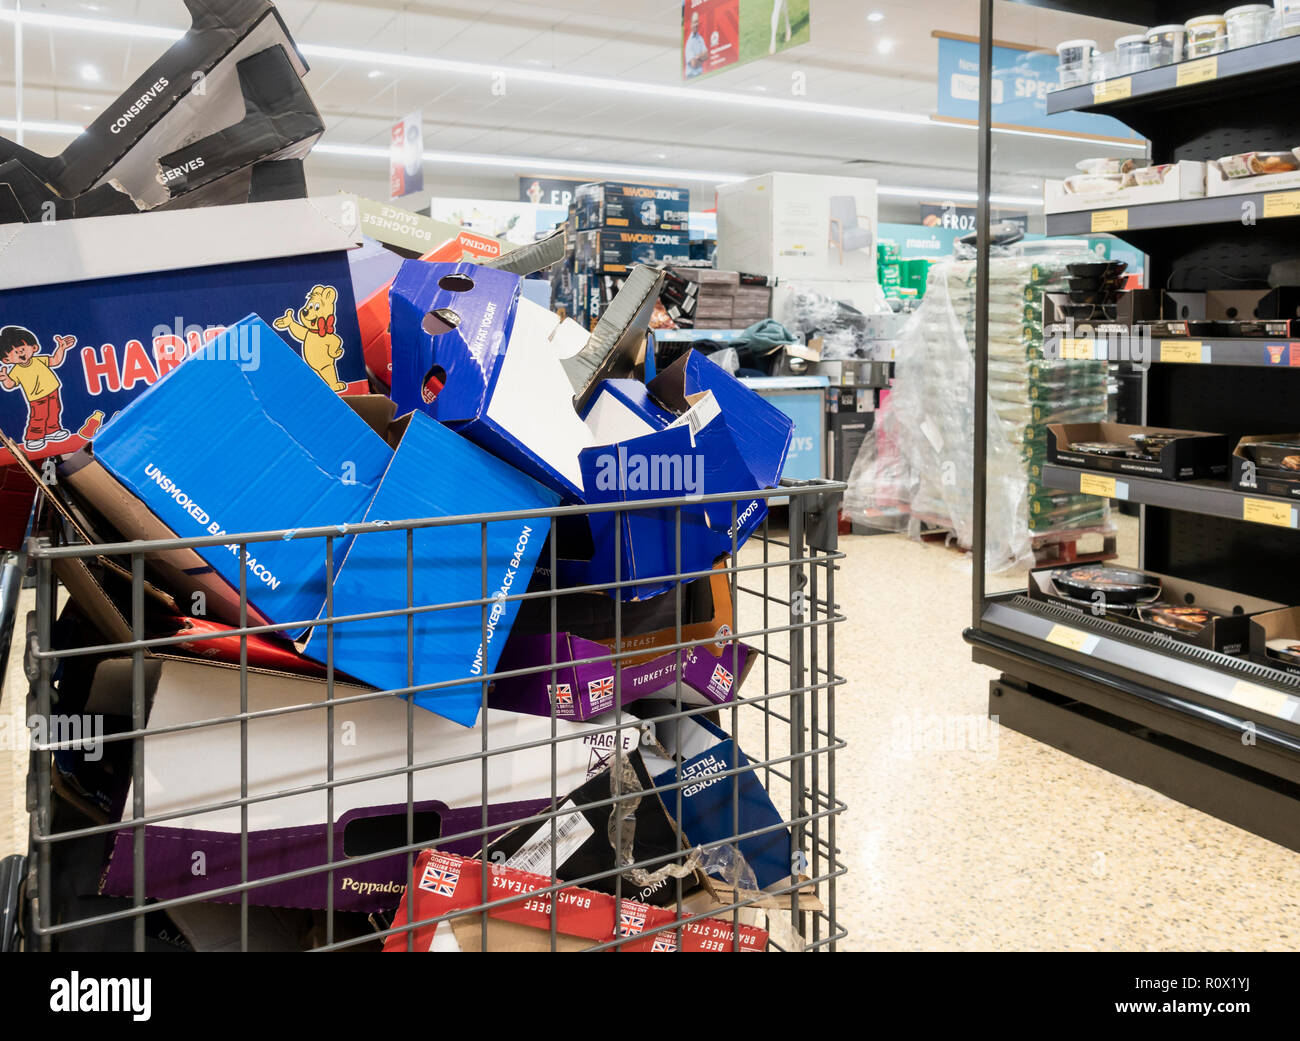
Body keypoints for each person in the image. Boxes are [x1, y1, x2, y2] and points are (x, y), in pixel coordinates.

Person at [0, 326, 72, 452]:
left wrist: (61, 348)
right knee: (38, 416)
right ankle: (34, 437)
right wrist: (5, 378)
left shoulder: (38, 359)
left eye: (22, 349)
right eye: (15, 352)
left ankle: (53, 430)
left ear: (34, 347)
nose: (21, 353)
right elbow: (10, 385)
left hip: (52, 390)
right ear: (6, 360)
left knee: (54, 411)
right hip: (36, 398)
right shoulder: (16, 370)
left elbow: (55, 361)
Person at [684, 11, 708, 78]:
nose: (696, 24)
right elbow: (693, 64)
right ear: (691, 24)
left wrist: (697, 57)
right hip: (690, 77)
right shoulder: (689, 43)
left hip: (700, 75)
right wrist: (702, 58)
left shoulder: (700, 38)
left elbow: (706, 55)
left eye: (697, 22)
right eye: (694, 22)